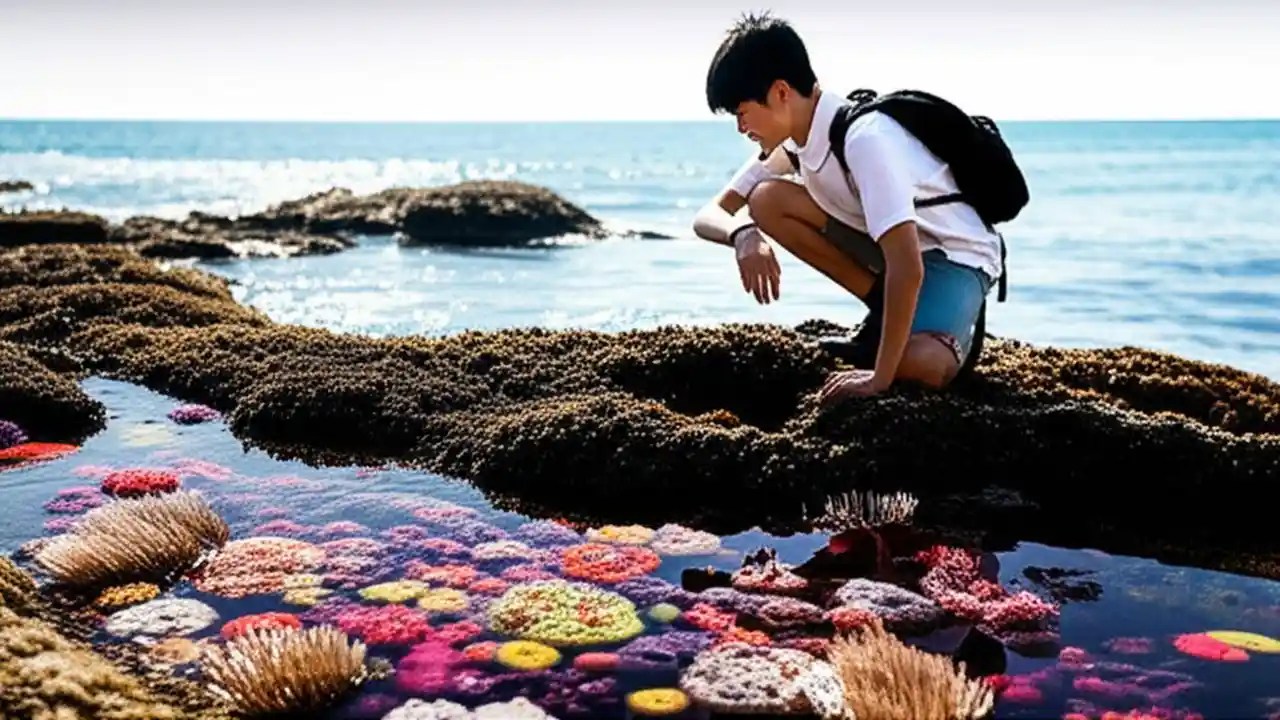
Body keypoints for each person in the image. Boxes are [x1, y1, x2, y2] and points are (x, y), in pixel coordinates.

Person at [691, 11, 1003, 404]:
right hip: (897, 262)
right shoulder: (793, 145)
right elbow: (708, 216)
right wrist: (743, 234)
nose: (741, 128)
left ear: (781, 92)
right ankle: (884, 314)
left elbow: (907, 266)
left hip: (956, 258)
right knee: (766, 200)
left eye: (741, 113)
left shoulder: (864, 140)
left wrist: (878, 379)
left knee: (920, 363)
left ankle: (947, 332)